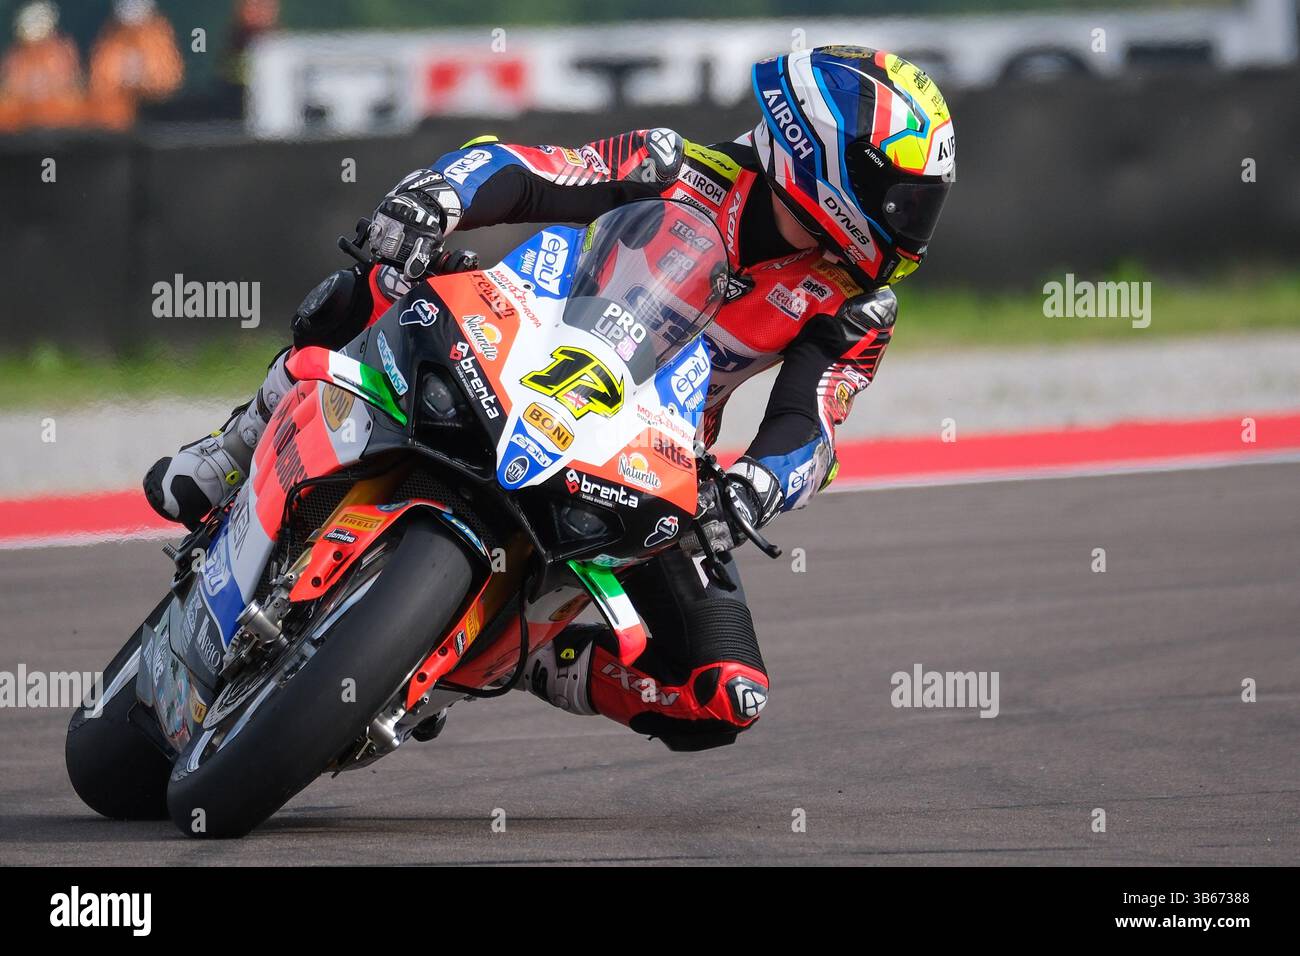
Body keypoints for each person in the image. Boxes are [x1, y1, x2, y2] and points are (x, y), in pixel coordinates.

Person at [145, 46, 956, 751]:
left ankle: (531, 651)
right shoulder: (672, 165)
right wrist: (436, 200)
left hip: (646, 459)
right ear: (825, 155)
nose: (911, 224)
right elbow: (524, 171)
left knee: (726, 691)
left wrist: (756, 486)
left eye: (922, 203)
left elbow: (809, 425)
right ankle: (236, 446)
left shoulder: (853, 307)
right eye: (900, 197)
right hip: (517, 342)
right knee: (383, 276)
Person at [86, 0, 183, 129]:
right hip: (116, 123)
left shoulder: (160, 41)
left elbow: (169, 81)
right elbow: (100, 84)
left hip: (158, 119)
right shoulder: (110, 43)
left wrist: (144, 84)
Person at [0, 1, 84, 132]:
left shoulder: (62, 53)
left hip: (61, 130)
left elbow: (72, 96)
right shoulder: (15, 58)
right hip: (21, 133)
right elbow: (8, 99)